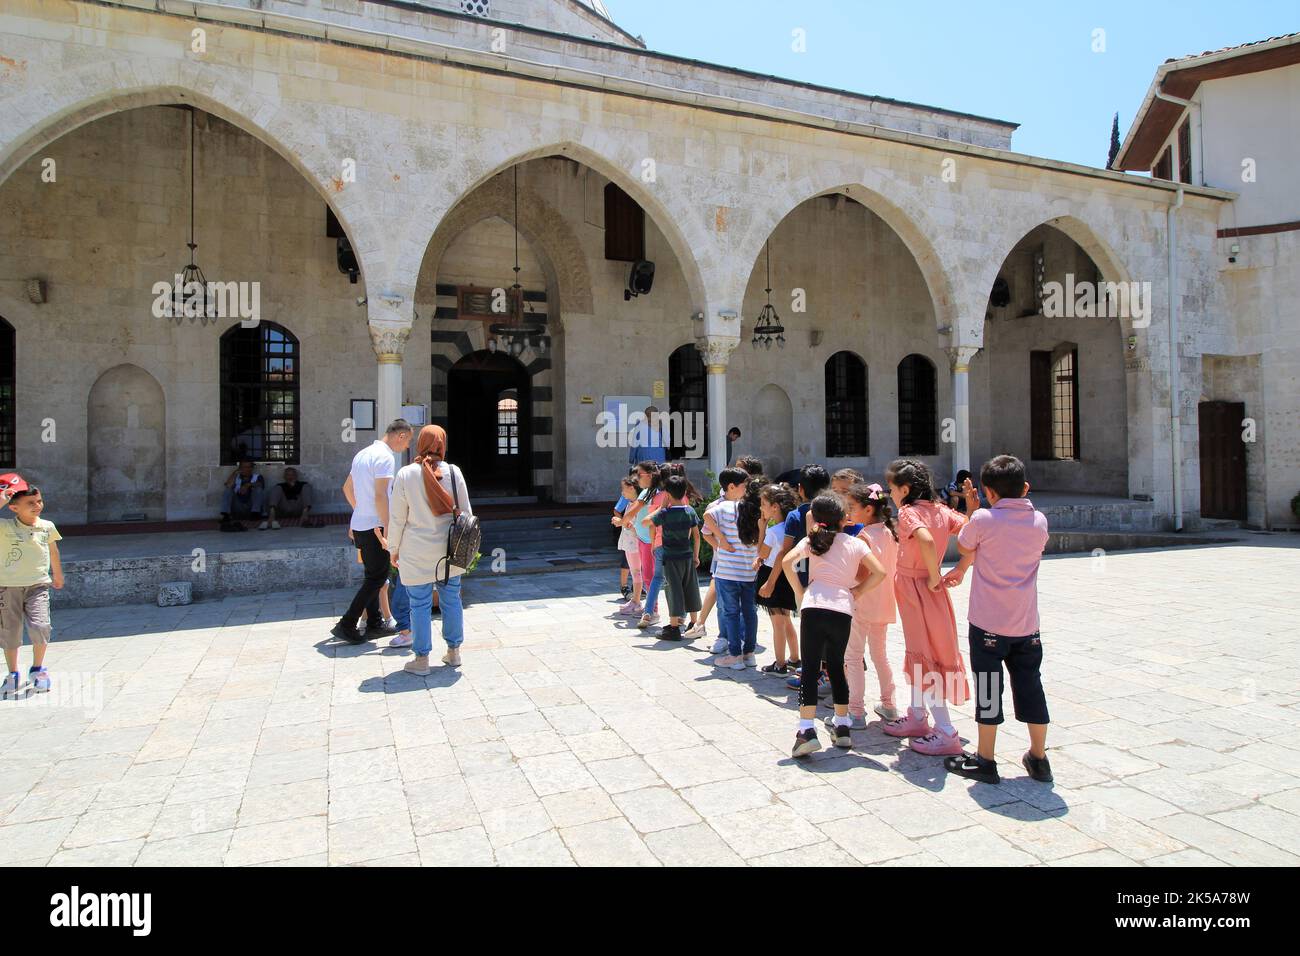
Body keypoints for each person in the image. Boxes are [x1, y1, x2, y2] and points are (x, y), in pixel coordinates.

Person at [941, 456, 1053, 784]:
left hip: (988, 623)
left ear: (988, 491)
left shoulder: (984, 520)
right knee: (1031, 684)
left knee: (989, 687)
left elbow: (964, 543)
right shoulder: (1040, 521)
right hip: (1026, 624)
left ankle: (986, 759)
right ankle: (1039, 757)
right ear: (1026, 488)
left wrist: (975, 512)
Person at [783, 493, 887, 756]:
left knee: (809, 669)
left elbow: (787, 562)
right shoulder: (855, 544)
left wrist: (799, 591)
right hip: (842, 609)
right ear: (844, 519)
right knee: (837, 667)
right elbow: (880, 573)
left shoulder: (813, 541)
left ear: (816, 519)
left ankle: (806, 730)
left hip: (814, 606)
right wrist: (857, 592)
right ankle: (842, 727)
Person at [881, 458, 970, 756]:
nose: (890, 494)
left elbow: (926, 540)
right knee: (923, 651)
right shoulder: (941, 510)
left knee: (923, 656)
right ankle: (918, 715)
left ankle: (945, 730)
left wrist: (933, 575)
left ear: (904, 489)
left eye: (892, 489)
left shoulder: (909, 512)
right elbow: (971, 533)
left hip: (917, 588)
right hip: (930, 592)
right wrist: (960, 568)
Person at [388, 425, 472, 673]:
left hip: (416, 551)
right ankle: (453, 652)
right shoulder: (454, 472)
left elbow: (397, 518)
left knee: (419, 604)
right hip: (449, 550)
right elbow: (466, 513)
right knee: (451, 600)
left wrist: (393, 548)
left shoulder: (405, 474)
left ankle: (422, 659)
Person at [331, 419, 413, 644]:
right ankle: (347, 624)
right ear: (401, 436)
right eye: (408, 442)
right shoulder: (385, 457)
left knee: (373, 576)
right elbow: (380, 496)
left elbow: (347, 488)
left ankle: (375, 622)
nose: (406, 448)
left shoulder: (362, 454)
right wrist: (387, 528)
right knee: (376, 578)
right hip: (375, 527)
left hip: (361, 524)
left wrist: (360, 512)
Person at [835, 482, 900, 728]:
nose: (849, 511)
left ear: (868, 509)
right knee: (880, 655)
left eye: (852, 507)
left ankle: (856, 712)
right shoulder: (889, 531)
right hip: (884, 602)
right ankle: (889, 704)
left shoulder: (864, 537)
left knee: (852, 657)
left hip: (862, 603)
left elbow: (861, 573)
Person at [0, 481, 63, 698]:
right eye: (30, 503)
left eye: (39, 501)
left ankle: (38, 669)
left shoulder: (47, 526)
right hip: (8, 587)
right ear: (14, 507)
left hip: (38, 585)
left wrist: (58, 574)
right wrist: (2, 499)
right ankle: (13, 673)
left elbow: (53, 551)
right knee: (10, 631)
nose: (37, 505)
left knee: (40, 625)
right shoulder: (5, 527)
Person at [691, 455, 762, 642]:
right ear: (732, 486)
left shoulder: (749, 507)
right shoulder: (718, 506)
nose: (747, 488)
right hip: (724, 566)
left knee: (747, 608)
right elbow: (706, 530)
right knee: (725, 606)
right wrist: (720, 545)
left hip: (747, 568)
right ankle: (725, 639)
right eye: (744, 484)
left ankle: (744, 642)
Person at [704, 469, 762, 669]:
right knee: (749, 612)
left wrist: (722, 539)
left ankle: (735, 655)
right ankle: (749, 654)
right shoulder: (755, 509)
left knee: (730, 613)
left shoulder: (724, 507)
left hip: (727, 572)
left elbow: (706, 516)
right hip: (749, 572)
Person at [647, 474, 701, 641]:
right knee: (691, 587)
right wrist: (696, 556)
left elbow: (645, 522)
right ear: (685, 491)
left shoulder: (664, 514)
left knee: (673, 590)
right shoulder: (690, 511)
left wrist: (661, 507)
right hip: (687, 556)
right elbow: (697, 536)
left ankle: (674, 627)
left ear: (667, 494)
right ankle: (694, 624)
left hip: (670, 558)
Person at [755, 481, 800, 675]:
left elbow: (762, 554)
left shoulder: (773, 532)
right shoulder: (794, 529)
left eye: (764, 504)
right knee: (787, 619)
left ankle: (780, 663)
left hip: (772, 576)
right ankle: (795, 658)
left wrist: (762, 528)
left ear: (775, 507)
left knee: (777, 623)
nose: (761, 508)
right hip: (789, 577)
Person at [621, 461, 666, 629]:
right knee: (648, 575)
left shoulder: (654, 494)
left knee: (650, 576)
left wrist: (622, 521)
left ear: (650, 475)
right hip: (644, 538)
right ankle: (650, 608)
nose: (636, 478)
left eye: (639, 475)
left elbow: (633, 512)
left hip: (650, 541)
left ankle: (653, 611)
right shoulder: (650, 492)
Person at [614, 476, 644, 617]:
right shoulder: (631, 504)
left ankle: (636, 602)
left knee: (637, 572)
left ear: (632, 488)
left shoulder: (638, 505)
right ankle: (635, 600)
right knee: (635, 572)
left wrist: (621, 522)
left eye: (624, 489)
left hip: (635, 543)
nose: (622, 493)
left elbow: (635, 525)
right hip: (630, 542)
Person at [220, 460, 265, 525]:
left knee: (258, 489)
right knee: (228, 490)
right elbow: (228, 486)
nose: (247, 469)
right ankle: (225, 515)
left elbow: (261, 485)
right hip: (238, 507)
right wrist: (234, 474)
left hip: (251, 508)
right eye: (244, 467)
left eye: (249, 467)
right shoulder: (236, 477)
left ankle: (255, 514)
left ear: (252, 468)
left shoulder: (257, 477)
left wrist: (247, 485)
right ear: (240, 468)